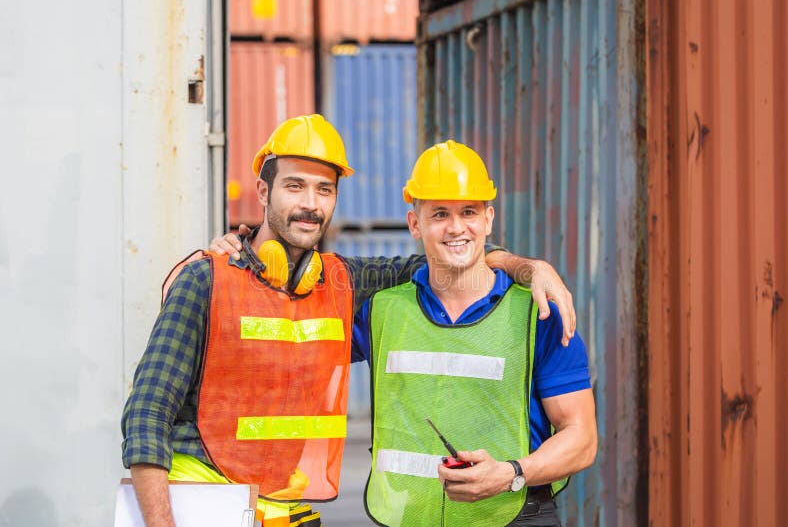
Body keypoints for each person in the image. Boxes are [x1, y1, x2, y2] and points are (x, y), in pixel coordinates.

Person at [122, 115, 577, 527]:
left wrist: (529, 267)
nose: (310, 203)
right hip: (200, 506)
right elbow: (146, 414)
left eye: (324, 189)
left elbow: (451, 255)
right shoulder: (207, 279)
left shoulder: (341, 283)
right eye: (294, 186)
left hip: (284, 510)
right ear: (263, 192)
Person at [352, 140, 597, 527]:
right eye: (439, 214)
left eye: (468, 211)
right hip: (410, 518)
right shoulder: (380, 312)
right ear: (415, 224)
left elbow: (582, 439)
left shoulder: (538, 313)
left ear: (488, 219)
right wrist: (236, 255)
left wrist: (511, 473)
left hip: (515, 516)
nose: (456, 227)